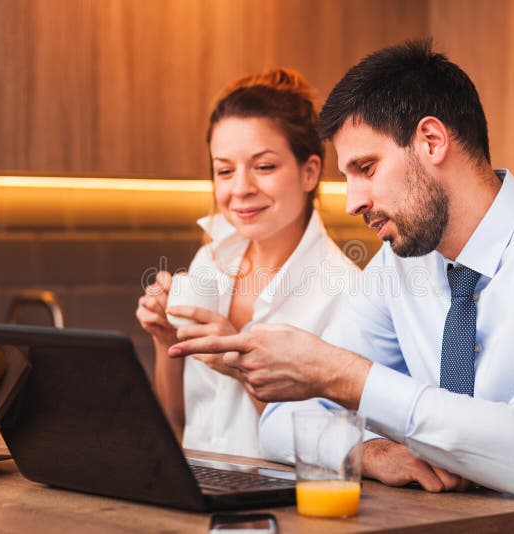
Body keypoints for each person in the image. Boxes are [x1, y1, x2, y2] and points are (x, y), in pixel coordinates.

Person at [167, 40, 514, 532]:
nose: (352, 201)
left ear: (431, 141)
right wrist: (368, 452)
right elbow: (281, 423)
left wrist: (345, 376)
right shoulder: (400, 268)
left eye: (366, 168)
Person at [135, 68, 359, 458]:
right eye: (224, 170)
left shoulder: (344, 292)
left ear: (309, 172)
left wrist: (237, 364)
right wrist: (166, 341)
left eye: (264, 166)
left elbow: (333, 444)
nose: (240, 188)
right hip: (200, 489)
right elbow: (182, 421)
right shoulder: (209, 263)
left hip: (287, 508)